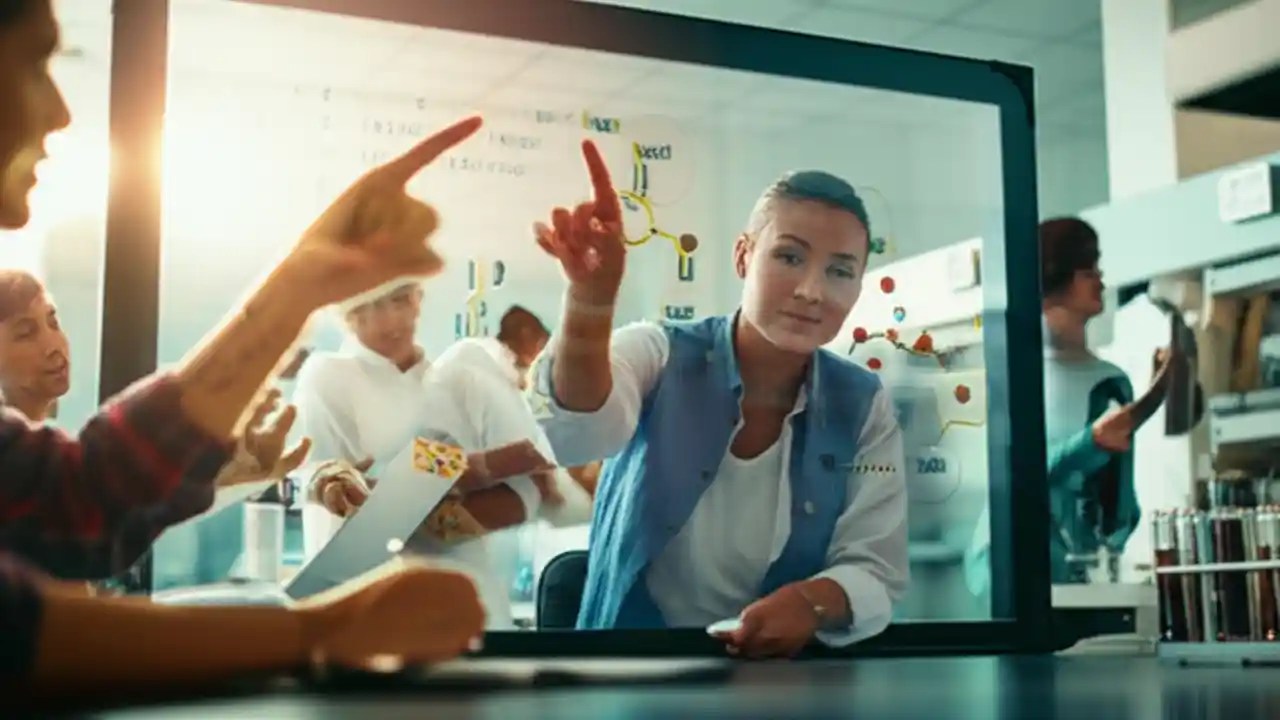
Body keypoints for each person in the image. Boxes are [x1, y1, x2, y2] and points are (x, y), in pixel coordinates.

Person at [1, 0, 487, 693]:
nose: (59, 112)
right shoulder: (334, 377)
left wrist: (299, 283)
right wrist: (324, 627)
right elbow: (22, 628)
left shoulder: (453, 375)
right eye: (32, 63)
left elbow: (76, 498)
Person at [527, 141, 909, 659]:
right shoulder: (660, 352)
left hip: (778, 689)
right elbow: (576, 433)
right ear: (743, 255)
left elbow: (875, 565)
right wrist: (591, 304)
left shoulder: (863, 404)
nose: (812, 291)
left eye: (840, 271)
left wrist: (810, 604)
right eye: (789, 256)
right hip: (628, 679)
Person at [293, 282, 562, 628]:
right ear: (346, 313)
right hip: (369, 618)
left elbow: (524, 496)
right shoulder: (327, 377)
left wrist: (429, 492)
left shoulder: (462, 380)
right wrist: (480, 466)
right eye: (370, 305)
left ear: (418, 299)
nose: (391, 319)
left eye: (401, 300)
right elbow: (362, 509)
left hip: (475, 616)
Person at [964, 217, 1147, 598]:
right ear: (1056, 275)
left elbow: (1121, 496)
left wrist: (1112, 547)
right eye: (1087, 269)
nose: (1099, 279)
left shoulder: (1112, 381)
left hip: (1081, 581)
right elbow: (1011, 479)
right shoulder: (1010, 373)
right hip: (1007, 571)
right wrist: (1089, 444)